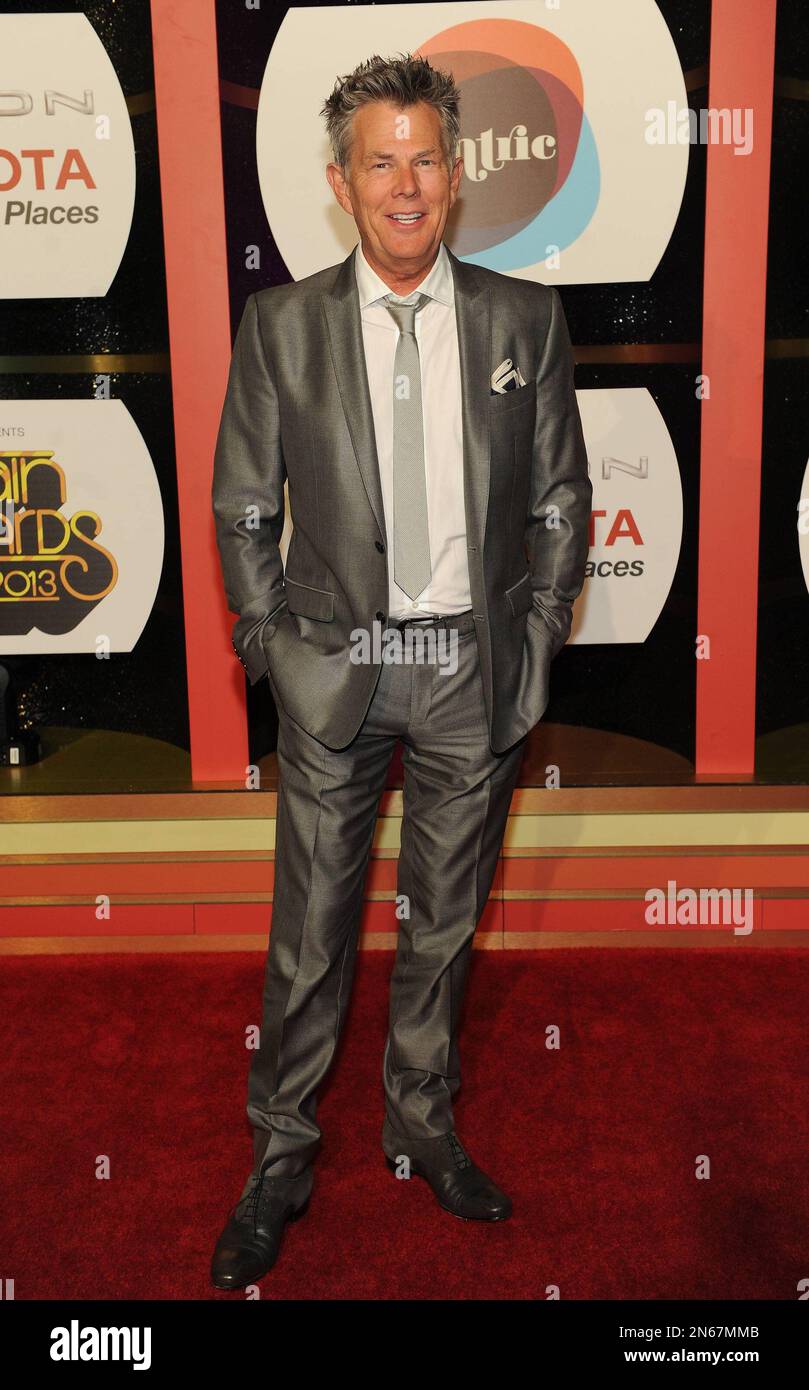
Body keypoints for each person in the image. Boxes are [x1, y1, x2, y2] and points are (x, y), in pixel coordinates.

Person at [209, 52, 592, 1289]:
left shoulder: (522, 321)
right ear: (342, 181)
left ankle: (420, 1126)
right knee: (309, 937)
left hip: (468, 672)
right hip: (336, 672)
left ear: (457, 171)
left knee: (440, 927)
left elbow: (558, 502)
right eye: (381, 161)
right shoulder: (279, 325)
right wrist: (271, 644)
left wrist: (530, 652)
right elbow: (240, 506)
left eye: (425, 156)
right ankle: (279, 1156)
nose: (405, 183)